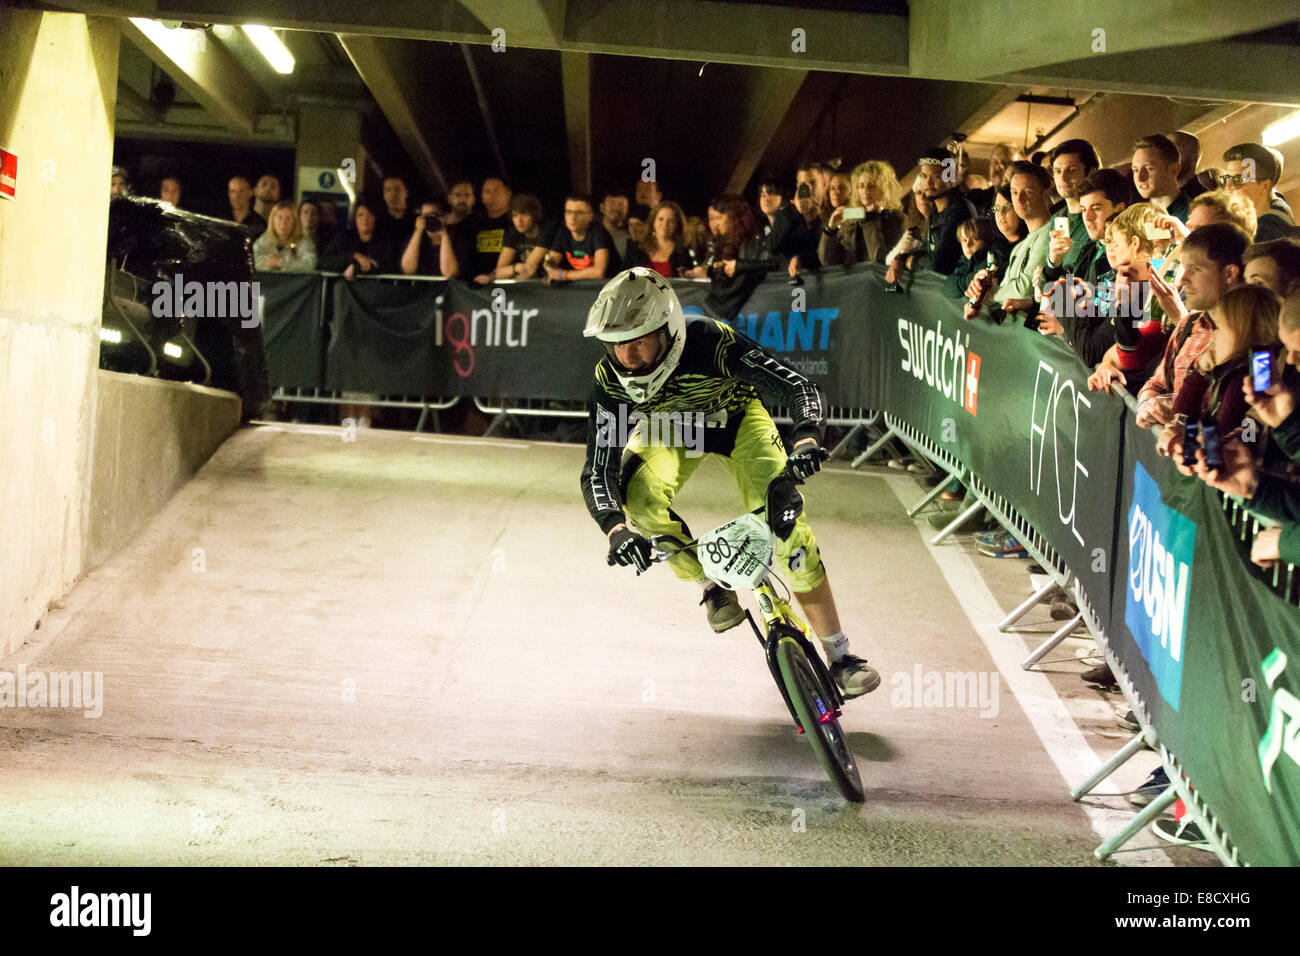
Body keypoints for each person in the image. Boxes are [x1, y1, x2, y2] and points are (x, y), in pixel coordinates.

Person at [580, 267, 881, 699]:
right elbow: (598, 468)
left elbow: (799, 387)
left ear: (668, 330)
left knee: (787, 522)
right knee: (635, 499)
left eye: (637, 340)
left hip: (737, 421)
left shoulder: (710, 340)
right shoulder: (610, 381)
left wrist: (808, 439)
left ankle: (841, 656)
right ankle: (711, 586)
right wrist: (614, 529)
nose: (625, 356)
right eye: (615, 344)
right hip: (672, 429)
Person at [1159, 283, 1279, 461]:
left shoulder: (1243, 381)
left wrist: (1177, 443)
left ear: (1242, 334)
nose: (1212, 334)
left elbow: (1215, 446)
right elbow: (1184, 411)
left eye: (1219, 327)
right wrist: (1201, 371)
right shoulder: (1231, 370)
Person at [819, 160, 904, 267]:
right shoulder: (852, 216)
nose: (865, 191)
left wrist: (872, 218)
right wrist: (830, 229)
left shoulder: (895, 218)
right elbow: (826, 260)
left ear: (884, 188)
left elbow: (879, 260)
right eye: (861, 186)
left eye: (871, 186)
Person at [1221, 143, 1297, 242]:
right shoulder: (1273, 214)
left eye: (1237, 180)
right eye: (1227, 179)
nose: (1228, 186)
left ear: (1264, 186)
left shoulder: (1267, 229)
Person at [542, 193, 613, 283]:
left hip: (607, 290)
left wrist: (563, 275)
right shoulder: (563, 232)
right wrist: (549, 266)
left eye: (579, 213)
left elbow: (598, 273)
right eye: (568, 212)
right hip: (580, 289)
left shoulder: (598, 232)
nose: (573, 217)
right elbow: (551, 261)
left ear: (590, 216)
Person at [318, 200, 398, 279]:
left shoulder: (386, 241)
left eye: (369, 215)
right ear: (355, 218)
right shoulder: (343, 237)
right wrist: (354, 256)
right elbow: (324, 262)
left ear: (375, 218)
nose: (365, 219)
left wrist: (357, 267)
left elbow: (389, 266)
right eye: (360, 215)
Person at [490, 192, 552, 280]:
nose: (519, 220)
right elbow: (498, 273)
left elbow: (528, 270)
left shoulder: (546, 230)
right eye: (515, 215)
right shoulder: (513, 233)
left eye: (524, 214)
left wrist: (512, 271)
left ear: (534, 214)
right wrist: (517, 267)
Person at [626, 201, 693, 278]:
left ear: (677, 225)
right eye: (661, 219)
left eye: (671, 221)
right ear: (653, 222)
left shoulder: (683, 251)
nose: (665, 224)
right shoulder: (637, 248)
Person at [253, 200, 317, 272]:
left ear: (295, 221)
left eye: (288, 218)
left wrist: (280, 262)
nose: (283, 223)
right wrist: (266, 262)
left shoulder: (304, 242)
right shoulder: (265, 239)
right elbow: (251, 259)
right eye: (279, 218)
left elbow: (309, 264)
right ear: (272, 220)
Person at [401, 198, 454, 277]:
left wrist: (444, 235)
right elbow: (408, 270)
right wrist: (418, 232)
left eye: (435, 215)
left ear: (445, 217)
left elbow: (449, 273)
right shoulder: (416, 239)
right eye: (426, 216)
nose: (430, 220)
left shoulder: (456, 240)